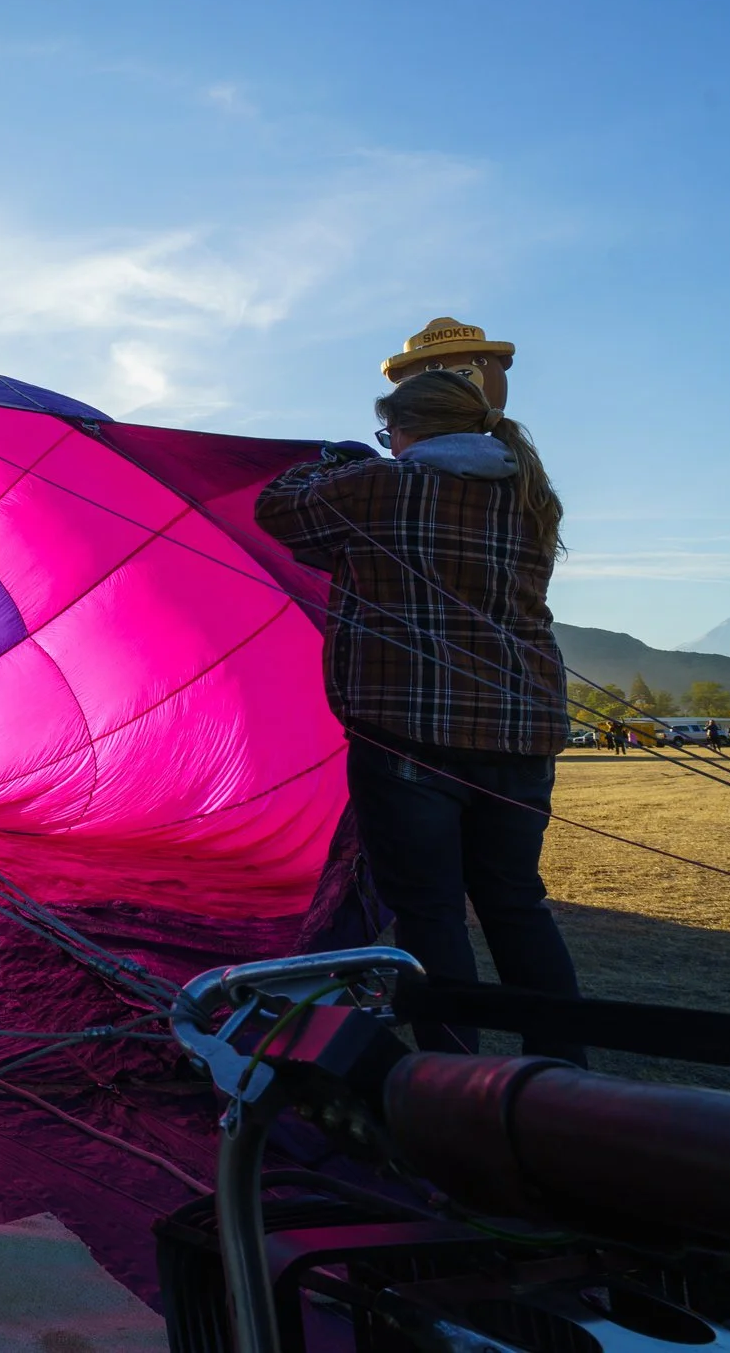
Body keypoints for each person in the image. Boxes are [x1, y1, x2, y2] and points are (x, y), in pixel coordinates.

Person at [256, 369, 583, 1061]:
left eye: (389, 433)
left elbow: (276, 511)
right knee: (516, 904)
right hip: (522, 731)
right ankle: (565, 1068)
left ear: (407, 431)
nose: (389, 444)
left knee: (432, 914)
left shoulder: (386, 486)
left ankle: (449, 1074)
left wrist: (332, 463)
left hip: (409, 732)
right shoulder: (530, 498)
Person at [381, 316, 513, 411]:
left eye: (479, 361)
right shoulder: (506, 448)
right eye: (434, 367)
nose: (462, 373)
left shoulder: (422, 449)